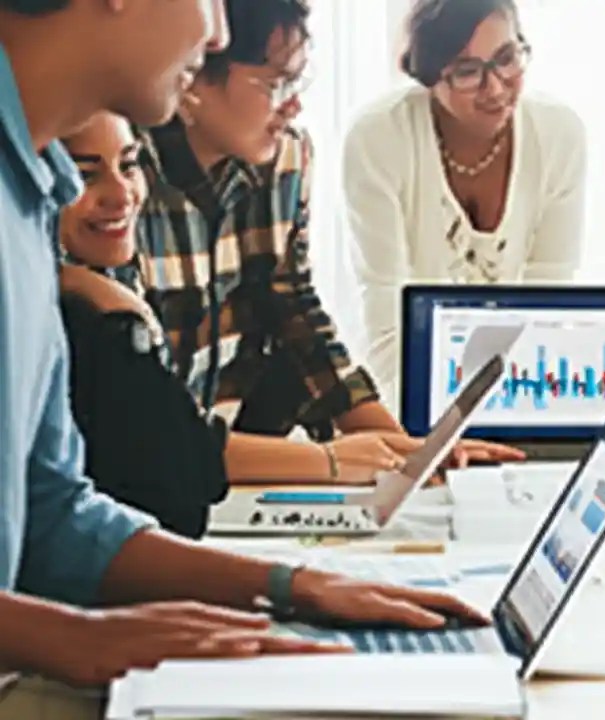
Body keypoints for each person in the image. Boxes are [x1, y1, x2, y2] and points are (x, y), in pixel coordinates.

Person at [0, 2, 485, 715]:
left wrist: (294, 586)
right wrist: (71, 638)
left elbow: (54, 516)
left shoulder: (36, 200)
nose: (219, 32)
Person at [125, 0, 522, 487]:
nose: (292, 104)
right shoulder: (121, 181)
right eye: (274, 84)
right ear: (193, 79)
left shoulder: (284, 157)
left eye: (297, 81)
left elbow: (297, 315)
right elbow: (141, 424)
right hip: (145, 468)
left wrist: (409, 454)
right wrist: (334, 460)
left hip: (218, 458)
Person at [343, 0, 587, 404]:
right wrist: (431, 436)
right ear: (429, 76)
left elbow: (548, 306)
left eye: (506, 58)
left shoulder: (559, 134)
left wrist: (518, 419)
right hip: (402, 396)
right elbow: (386, 323)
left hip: (516, 394)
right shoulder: (378, 139)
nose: (494, 88)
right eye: (467, 71)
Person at [58, 112, 228, 539]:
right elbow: (183, 492)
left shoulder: (106, 280)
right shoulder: (81, 318)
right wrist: (117, 315)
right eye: (85, 175)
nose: (122, 195)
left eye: (129, 165)